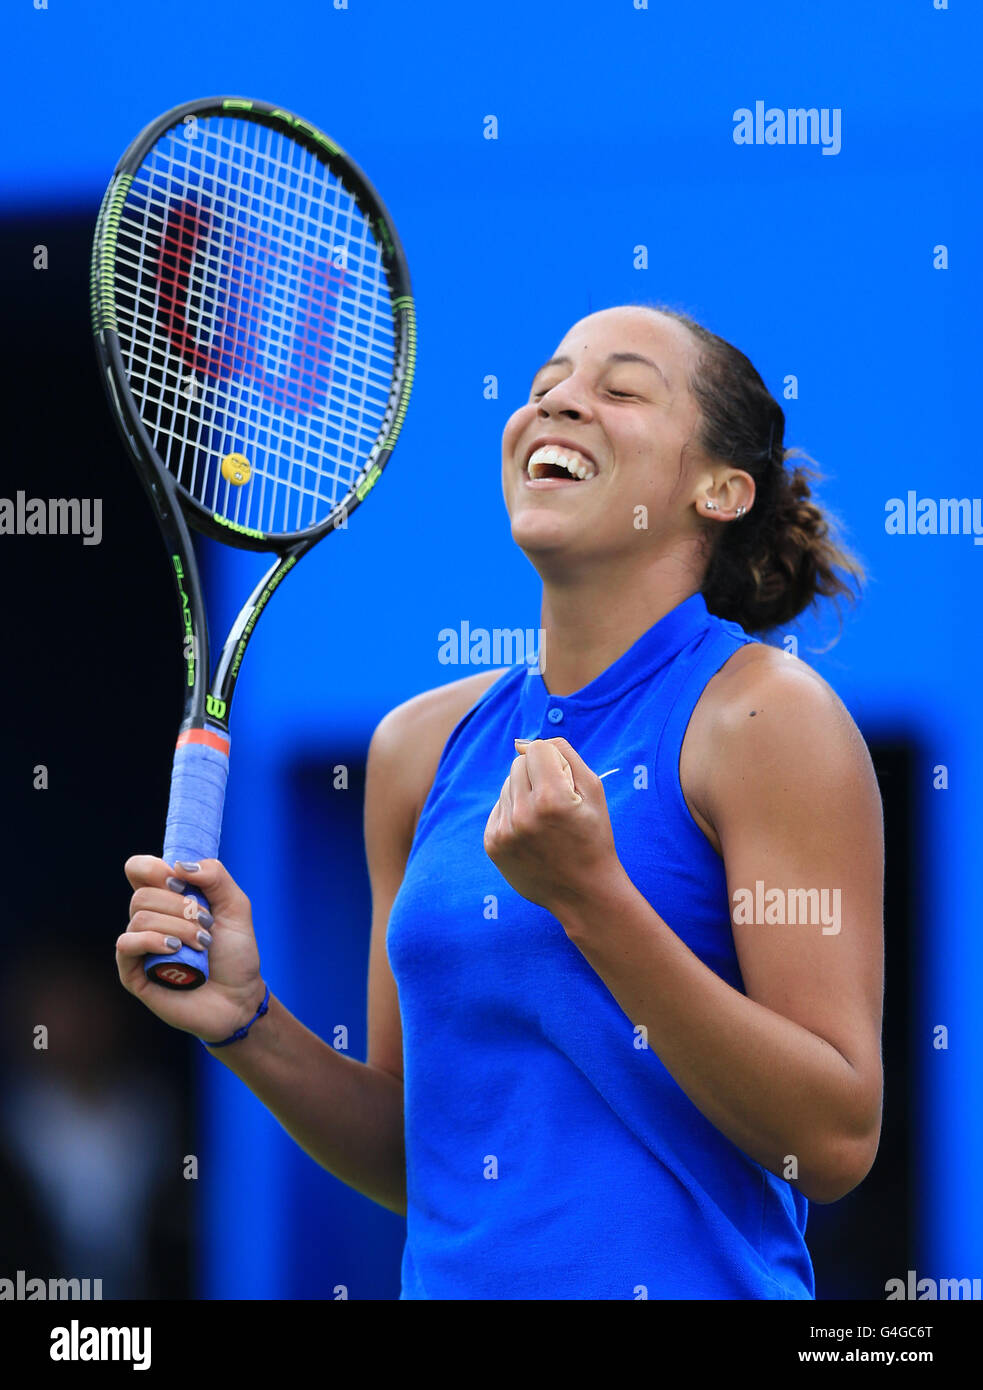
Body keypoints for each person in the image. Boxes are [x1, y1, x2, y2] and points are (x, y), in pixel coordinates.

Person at [117, 303, 884, 1300]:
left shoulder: (764, 719)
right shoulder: (414, 750)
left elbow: (829, 1139)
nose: (557, 401)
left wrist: (591, 898)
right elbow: (420, 1151)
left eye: (617, 390)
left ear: (720, 490)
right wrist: (247, 1022)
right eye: (542, 387)